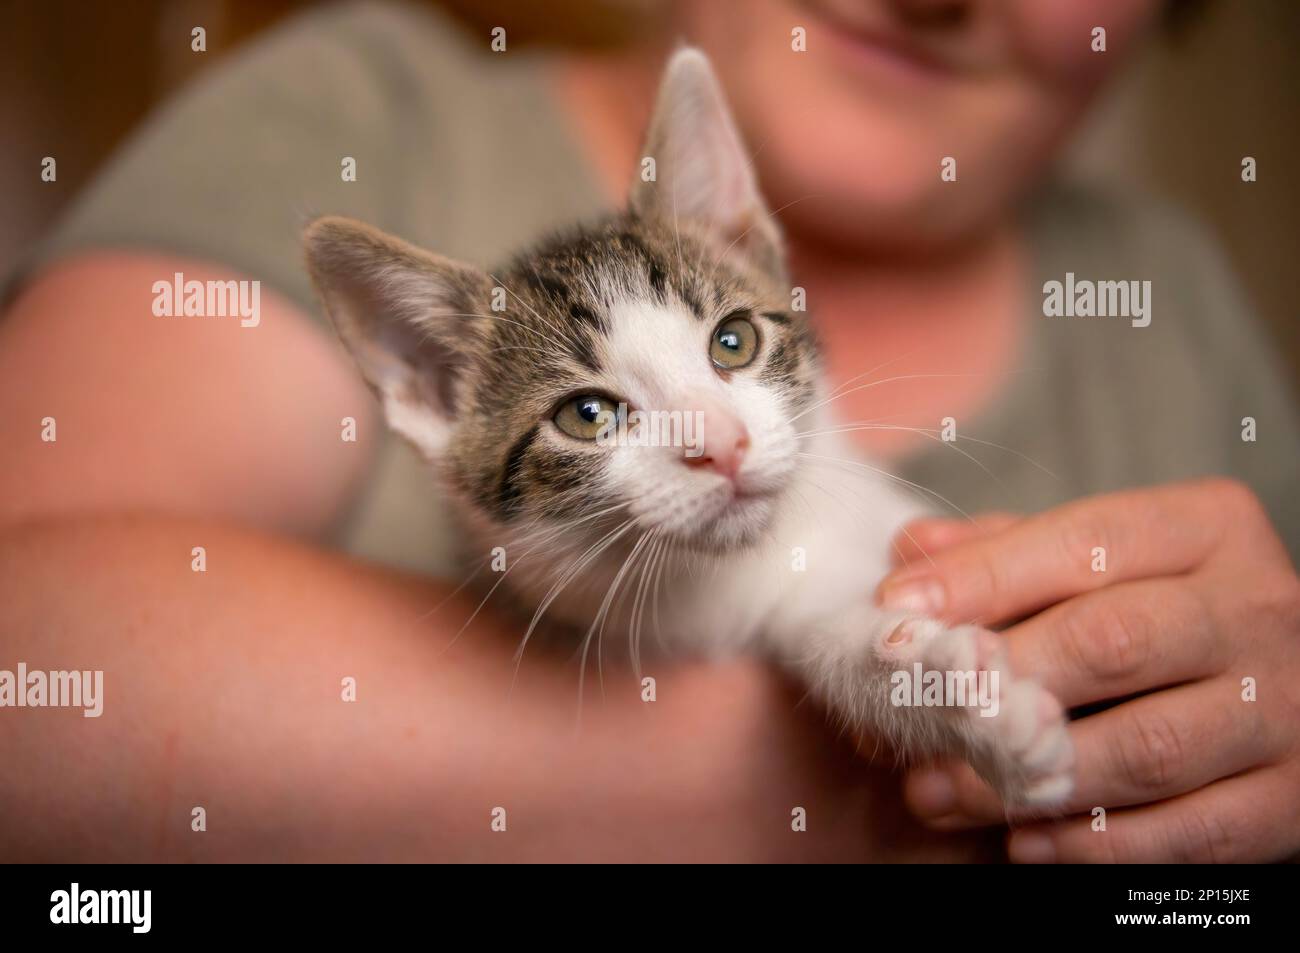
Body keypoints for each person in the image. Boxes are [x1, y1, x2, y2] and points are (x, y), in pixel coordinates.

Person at [1, 0, 1296, 862]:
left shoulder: (1172, 290)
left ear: (745, 240)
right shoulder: (367, 108)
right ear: (436, 391)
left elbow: (824, 618)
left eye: (733, 342)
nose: (722, 443)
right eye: (588, 409)